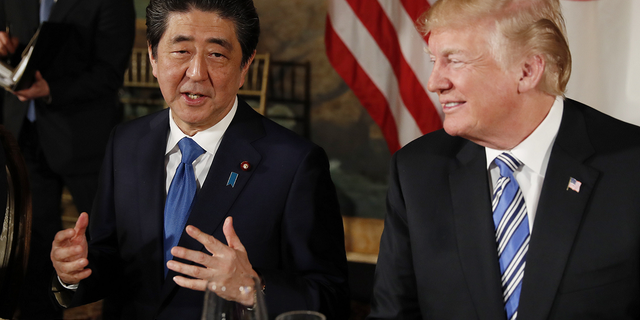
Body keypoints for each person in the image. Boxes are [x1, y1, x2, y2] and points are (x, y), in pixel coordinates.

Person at [50, 0, 350, 319]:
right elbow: (110, 259)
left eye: (216, 54)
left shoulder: (295, 163)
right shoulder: (125, 142)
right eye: (181, 51)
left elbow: (330, 298)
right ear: (153, 57)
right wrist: (73, 272)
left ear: (244, 66)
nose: (196, 73)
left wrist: (252, 287)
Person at [368, 0, 640, 319]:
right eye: (433, 61)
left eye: (454, 61)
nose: (434, 83)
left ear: (526, 71)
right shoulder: (417, 171)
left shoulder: (631, 166)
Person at [0, 0, 135, 318]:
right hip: (24, 133)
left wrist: (51, 90)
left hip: (85, 139)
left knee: (112, 242)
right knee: (35, 248)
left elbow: (109, 73)